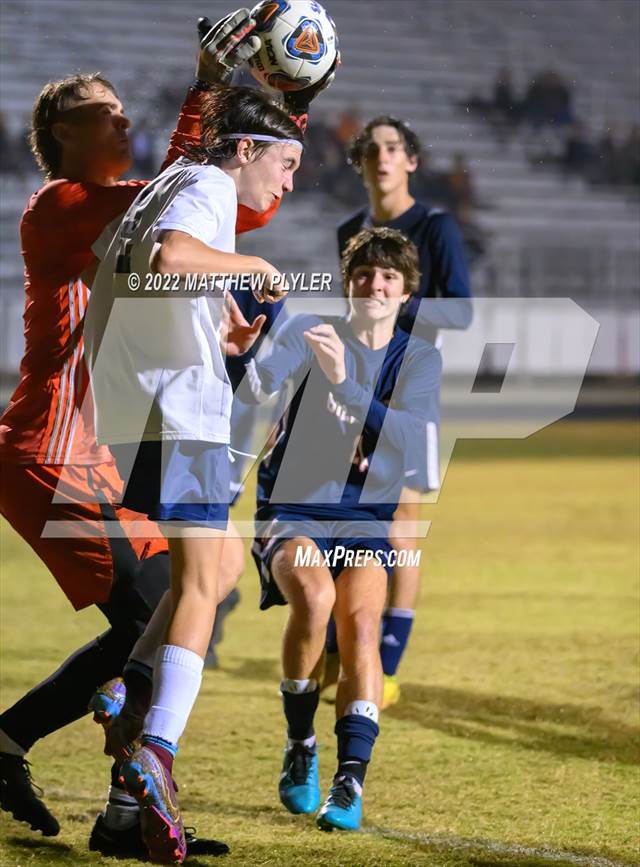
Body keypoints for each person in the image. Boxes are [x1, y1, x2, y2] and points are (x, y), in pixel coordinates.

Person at [0, 10, 270, 858]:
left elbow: (193, 203)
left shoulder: (109, 207)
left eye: (123, 108)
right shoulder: (61, 204)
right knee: (163, 609)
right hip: (48, 452)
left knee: (192, 597)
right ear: (59, 132)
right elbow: (178, 209)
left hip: (100, 449)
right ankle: (96, 778)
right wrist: (210, 97)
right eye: (103, 110)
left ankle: (109, 801)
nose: (123, 118)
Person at [83, 83, 304, 864]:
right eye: (283, 162)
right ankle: (157, 748)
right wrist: (251, 263)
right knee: (208, 584)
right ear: (243, 149)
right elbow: (172, 257)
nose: (288, 181)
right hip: (177, 411)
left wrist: (218, 331)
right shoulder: (208, 186)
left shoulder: (172, 180)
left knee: (199, 574)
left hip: (136, 404)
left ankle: (130, 691)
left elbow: (132, 267)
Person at [244, 227, 441, 830]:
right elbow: (254, 387)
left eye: (387, 277)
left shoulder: (419, 359)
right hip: (294, 505)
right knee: (316, 596)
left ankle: (350, 781)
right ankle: (301, 743)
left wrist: (345, 388)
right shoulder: (312, 333)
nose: (374, 285)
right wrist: (240, 352)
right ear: (347, 283)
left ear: (406, 292)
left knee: (359, 626)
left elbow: (415, 444)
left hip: (364, 515)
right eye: (363, 275)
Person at [335, 116, 472, 708]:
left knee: (401, 523)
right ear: (360, 162)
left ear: (411, 161)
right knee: (339, 515)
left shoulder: (434, 227)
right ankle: (345, 646)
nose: (382, 157)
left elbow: (461, 313)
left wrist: (394, 311)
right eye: (372, 149)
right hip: (351, 393)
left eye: (393, 148)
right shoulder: (349, 228)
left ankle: (386, 662)